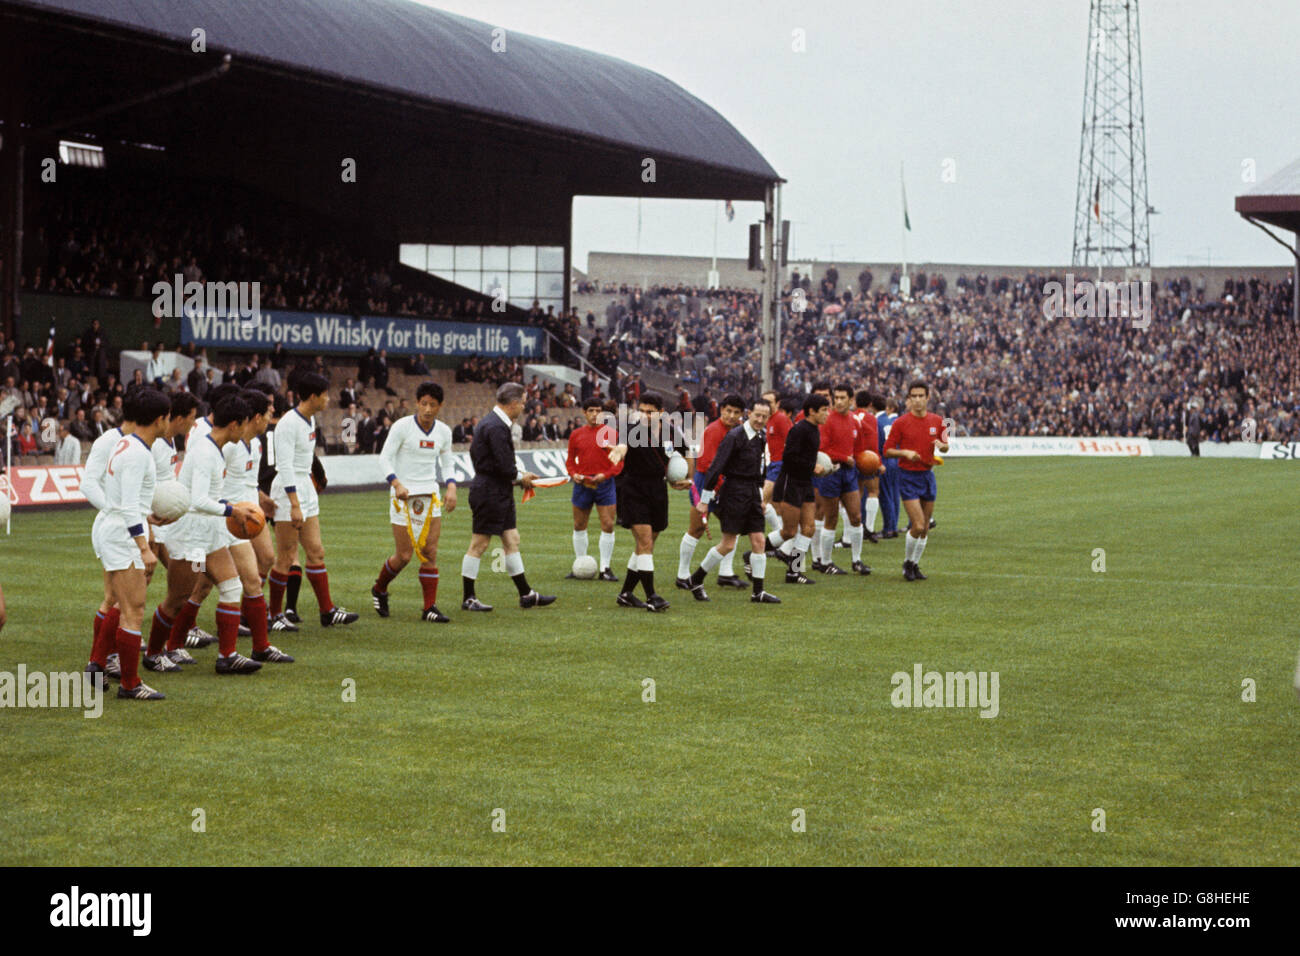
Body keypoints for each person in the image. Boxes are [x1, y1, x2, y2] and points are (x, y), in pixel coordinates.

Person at [155, 395, 267, 673]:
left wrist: (228, 511)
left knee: (232, 586)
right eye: (242, 426)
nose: (244, 433)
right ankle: (157, 652)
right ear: (234, 424)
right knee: (178, 597)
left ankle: (227, 656)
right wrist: (234, 511)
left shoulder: (215, 449)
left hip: (210, 532)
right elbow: (198, 500)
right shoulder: (206, 453)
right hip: (192, 535)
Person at [90, 388, 172, 699]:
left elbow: (126, 501)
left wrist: (147, 518)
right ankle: (130, 683)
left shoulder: (124, 444)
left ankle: (98, 664)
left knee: (117, 602)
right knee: (133, 609)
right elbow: (126, 506)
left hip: (115, 529)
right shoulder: (138, 453)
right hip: (123, 535)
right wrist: (144, 546)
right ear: (160, 419)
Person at [267, 372, 358, 626]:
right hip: (288, 491)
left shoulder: (309, 421)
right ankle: (275, 614)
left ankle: (327, 611)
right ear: (313, 396)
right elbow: (284, 467)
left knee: (316, 551)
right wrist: (294, 504)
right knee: (285, 556)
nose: (328, 400)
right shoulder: (288, 424)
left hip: (305, 486)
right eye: (325, 395)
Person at [459, 382, 554, 612]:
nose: (523, 406)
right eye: (522, 402)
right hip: (490, 492)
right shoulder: (496, 427)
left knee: (511, 540)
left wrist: (517, 477)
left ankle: (526, 594)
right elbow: (504, 465)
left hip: (497, 490)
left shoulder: (492, 423)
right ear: (512, 404)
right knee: (479, 544)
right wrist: (521, 476)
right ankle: (468, 597)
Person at [372, 383, 458, 622]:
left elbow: (447, 463)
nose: (428, 409)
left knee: (430, 552)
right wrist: (396, 483)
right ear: (417, 403)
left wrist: (451, 485)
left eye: (433, 404)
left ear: (440, 406)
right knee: (404, 556)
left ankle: (429, 608)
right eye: (424, 403)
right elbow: (385, 459)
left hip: (430, 496)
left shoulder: (443, 431)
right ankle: (379, 588)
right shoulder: (401, 427)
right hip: (403, 496)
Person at [686, 398, 780, 603]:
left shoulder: (761, 436)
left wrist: (761, 496)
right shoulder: (734, 436)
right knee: (728, 544)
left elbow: (760, 469)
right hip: (733, 493)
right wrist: (704, 500)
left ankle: (758, 592)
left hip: (752, 494)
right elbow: (716, 468)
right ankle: (696, 578)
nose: (760, 420)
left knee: (759, 541)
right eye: (757, 415)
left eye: (765, 417)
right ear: (749, 413)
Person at [616, 391, 693, 611]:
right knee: (645, 543)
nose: (644, 415)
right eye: (641, 411)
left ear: (661, 412)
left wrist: (687, 478)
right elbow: (623, 445)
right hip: (634, 489)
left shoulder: (670, 431)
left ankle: (626, 593)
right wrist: (619, 451)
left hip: (658, 489)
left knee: (646, 544)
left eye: (650, 412)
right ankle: (652, 597)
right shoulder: (630, 430)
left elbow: (687, 451)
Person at [676, 394, 745, 593]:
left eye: (736, 412)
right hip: (707, 484)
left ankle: (726, 573)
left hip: (722, 485)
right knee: (696, 529)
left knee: (732, 526)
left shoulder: (737, 431)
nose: (731, 416)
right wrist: (714, 490)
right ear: (721, 410)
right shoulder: (714, 431)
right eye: (728, 411)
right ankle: (682, 575)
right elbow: (707, 465)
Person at [882, 381, 949, 581]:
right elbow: (887, 450)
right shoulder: (901, 422)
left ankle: (914, 564)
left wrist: (941, 445)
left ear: (928, 398)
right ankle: (907, 562)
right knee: (918, 525)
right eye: (914, 396)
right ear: (909, 399)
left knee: (925, 527)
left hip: (927, 475)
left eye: (921, 396)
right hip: (907, 476)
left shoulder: (939, 421)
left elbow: (946, 447)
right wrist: (905, 452)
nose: (918, 400)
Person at [768, 393, 831, 583]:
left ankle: (793, 572)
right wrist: (812, 466)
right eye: (824, 410)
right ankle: (754, 552)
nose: (827, 414)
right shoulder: (799, 429)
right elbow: (789, 458)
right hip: (791, 483)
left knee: (809, 528)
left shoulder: (814, 429)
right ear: (811, 411)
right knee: (788, 531)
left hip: (805, 483)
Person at [565, 398, 624, 581]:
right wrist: (573, 474)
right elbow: (570, 461)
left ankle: (605, 568)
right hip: (583, 484)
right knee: (579, 525)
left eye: (598, 410)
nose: (595, 414)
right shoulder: (576, 434)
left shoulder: (611, 434)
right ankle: (580, 565)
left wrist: (605, 476)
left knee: (607, 524)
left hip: (604, 484)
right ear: (584, 413)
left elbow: (619, 463)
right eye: (591, 410)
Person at [813, 384, 867, 575]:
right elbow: (823, 449)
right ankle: (825, 562)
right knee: (831, 518)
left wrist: (868, 462)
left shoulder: (855, 421)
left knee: (856, 516)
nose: (839, 401)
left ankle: (857, 560)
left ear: (851, 400)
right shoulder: (826, 420)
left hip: (849, 473)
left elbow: (859, 449)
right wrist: (845, 458)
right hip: (831, 473)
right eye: (836, 397)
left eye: (843, 398)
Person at [761, 390, 792, 532]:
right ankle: (780, 535)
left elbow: (791, 440)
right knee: (775, 504)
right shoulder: (769, 419)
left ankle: (778, 535)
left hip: (780, 465)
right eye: (764, 402)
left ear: (778, 404)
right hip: (773, 464)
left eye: (769, 402)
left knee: (763, 501)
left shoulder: (780, 419)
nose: (766, 405)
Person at [876, 398, 901, 538]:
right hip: (897, 460)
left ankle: (889, 528)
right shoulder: (900, 421)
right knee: (894, 495)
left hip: (886, 459)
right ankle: (894, 526)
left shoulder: (880, 421)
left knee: (885, 495)